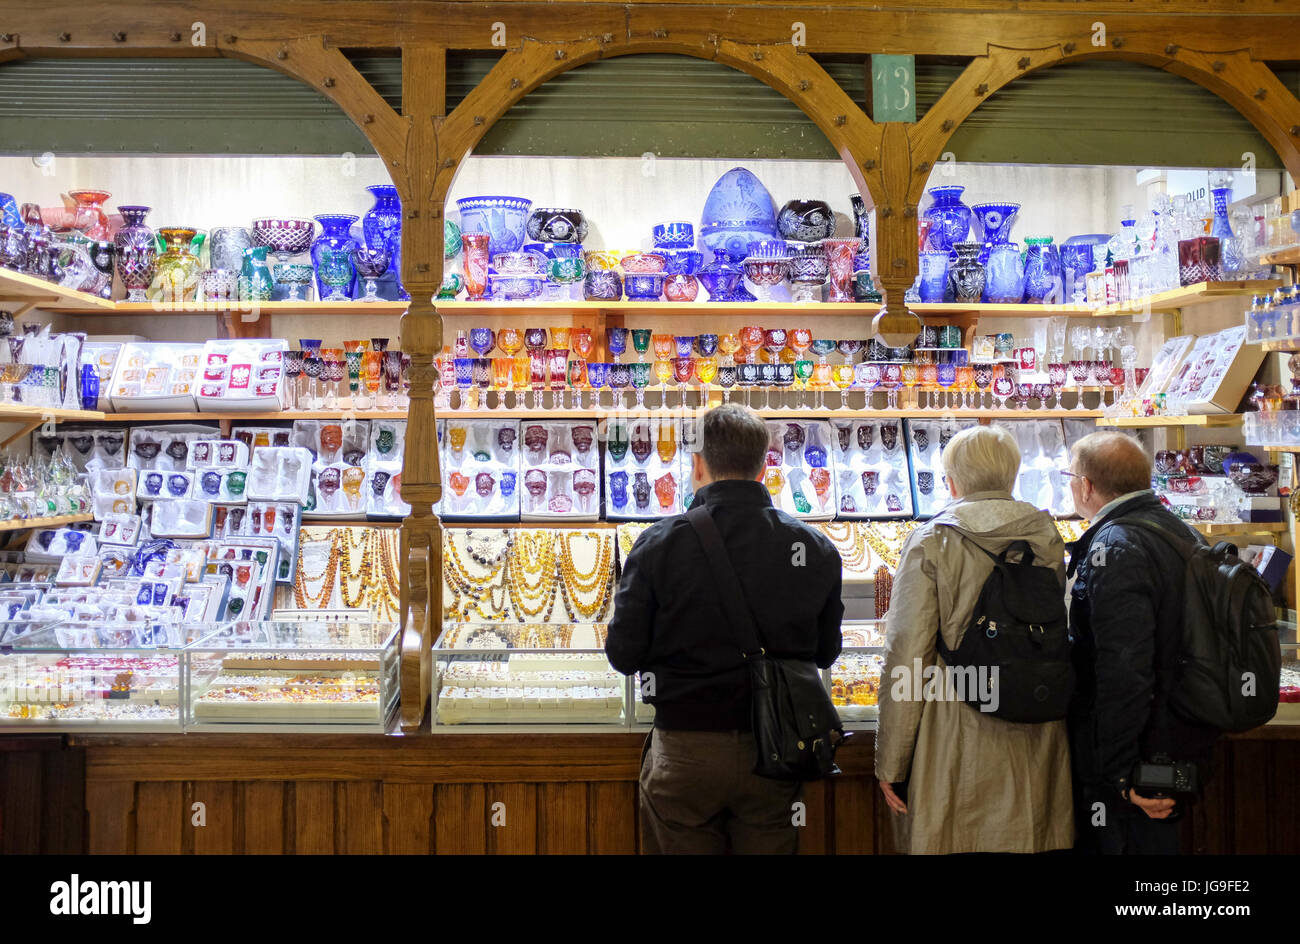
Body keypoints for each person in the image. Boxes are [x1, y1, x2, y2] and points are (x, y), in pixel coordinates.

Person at [605, 404, 843, 854]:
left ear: (697, 464)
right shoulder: (812, 547)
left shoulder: (659, 544)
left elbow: (623, 654)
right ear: (764, 464)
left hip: (685, 749)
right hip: (776, 751)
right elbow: (826, 653)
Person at [875, 425, 1073, 854]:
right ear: (1012, 475)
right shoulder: (1046, 537)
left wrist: (892, 759)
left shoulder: (933, 539)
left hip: (955, 727)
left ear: (952, 481)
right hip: (1035, 722)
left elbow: (908, 655)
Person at [1065, 431, 1217, 855]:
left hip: (1138, 759)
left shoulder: (1116, 545)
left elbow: (1124, 668)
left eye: (1069, 475)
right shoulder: (1183, 532)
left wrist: (1118, 774)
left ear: (1087, 486)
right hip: (1182, 739)